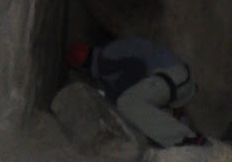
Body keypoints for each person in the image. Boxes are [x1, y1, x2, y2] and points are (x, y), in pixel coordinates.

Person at [66, 37, 207, 148]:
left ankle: (183, 137)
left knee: (126, 102)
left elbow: (136, 69)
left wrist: (112, 98)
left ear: (81, 67)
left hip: (171, 77)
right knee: (131, 107)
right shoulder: (109, 59)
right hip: (178, 83)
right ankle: (184, 131)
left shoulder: (107, 56)